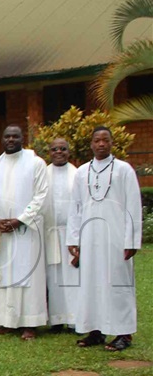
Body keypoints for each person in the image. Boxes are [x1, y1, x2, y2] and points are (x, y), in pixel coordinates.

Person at [68, 127, 142, 352]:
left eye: (105, 140)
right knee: (92, 283)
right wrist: (73, 238)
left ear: (112, 143)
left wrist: (131, 240)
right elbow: (76, 207)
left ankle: (124, 333)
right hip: (90, 237)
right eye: (97, 140)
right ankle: (96, 331)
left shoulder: (123, 170)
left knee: (118, 283)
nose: (101, 144)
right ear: (90, 144)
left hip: (116, 237)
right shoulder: (81, 172)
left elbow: (133, 206)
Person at [0, 125, 50, 340]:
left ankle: (30, 323)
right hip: (3, 230)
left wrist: (20, 220)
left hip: (27, 230)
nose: (11, 139)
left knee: (29, 274)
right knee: (5, 274)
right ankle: (6, 321)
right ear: (2, 139)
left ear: (23, 138)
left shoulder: (36, 163)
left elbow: (42, 195)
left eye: (15, 136)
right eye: (7, 136)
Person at [43, 138, 78, 332]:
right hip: (50, 233)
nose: (58, 152)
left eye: (63, 149)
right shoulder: (44, 174)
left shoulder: (77, 174)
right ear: (49, 152)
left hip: (71, 233)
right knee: (53, 277)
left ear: (68, 152)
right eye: (54, 149)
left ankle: (74, 319)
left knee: (73, 277)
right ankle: (56, 320)